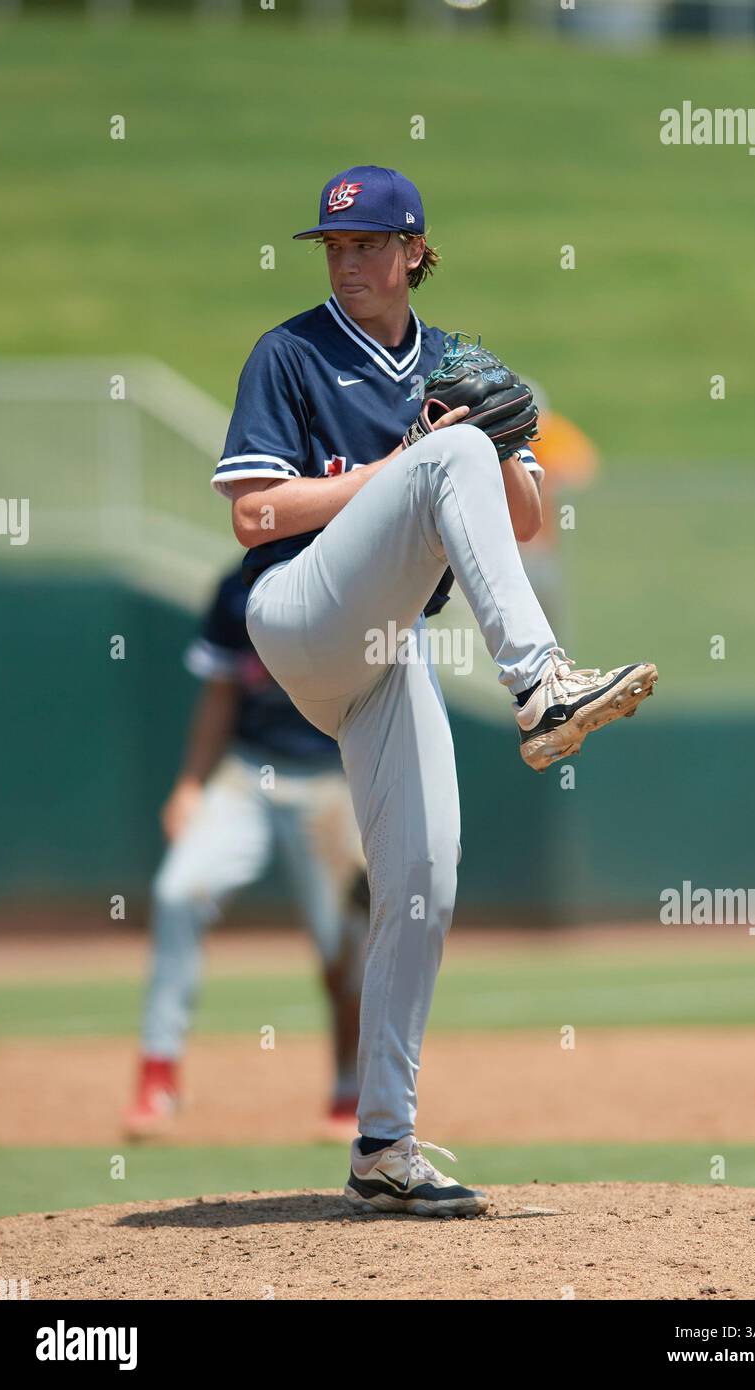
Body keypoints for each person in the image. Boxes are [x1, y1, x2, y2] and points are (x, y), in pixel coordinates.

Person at [212, 165, 657, 1217]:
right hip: (297, 611)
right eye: (333, 245)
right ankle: (541, 679)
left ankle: (382, 1141)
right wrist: (419, 457)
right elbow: (252, 516)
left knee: (422, 880)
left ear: (415, 251)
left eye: (369, 243)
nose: (349, 260)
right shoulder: (291, 353)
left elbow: (524, 521)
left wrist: (495, 446)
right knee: (448, 447)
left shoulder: (457, 365)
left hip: (382, 649)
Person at [124, 565, 369, 1144]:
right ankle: (159, 1074)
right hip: (247, 772)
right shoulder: (237, 589)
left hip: (335, 778)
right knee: (177, 891)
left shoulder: (355, 577)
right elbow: (220, 692)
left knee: (346, 940)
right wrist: (189, 783)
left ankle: (351, 1089)